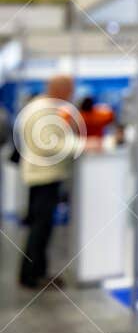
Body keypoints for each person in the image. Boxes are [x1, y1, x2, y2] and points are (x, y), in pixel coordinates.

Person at [17, 75, 78, 289]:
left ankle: (34, 273)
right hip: (44, 176)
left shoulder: (44, 107)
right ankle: (33, 275)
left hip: (41, 175)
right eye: (70, 89)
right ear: (60, 89)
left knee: (40, 227)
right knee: (41, 228)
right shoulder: (44, 109)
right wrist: (78, 145)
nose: (72, 93)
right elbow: (47, 144)